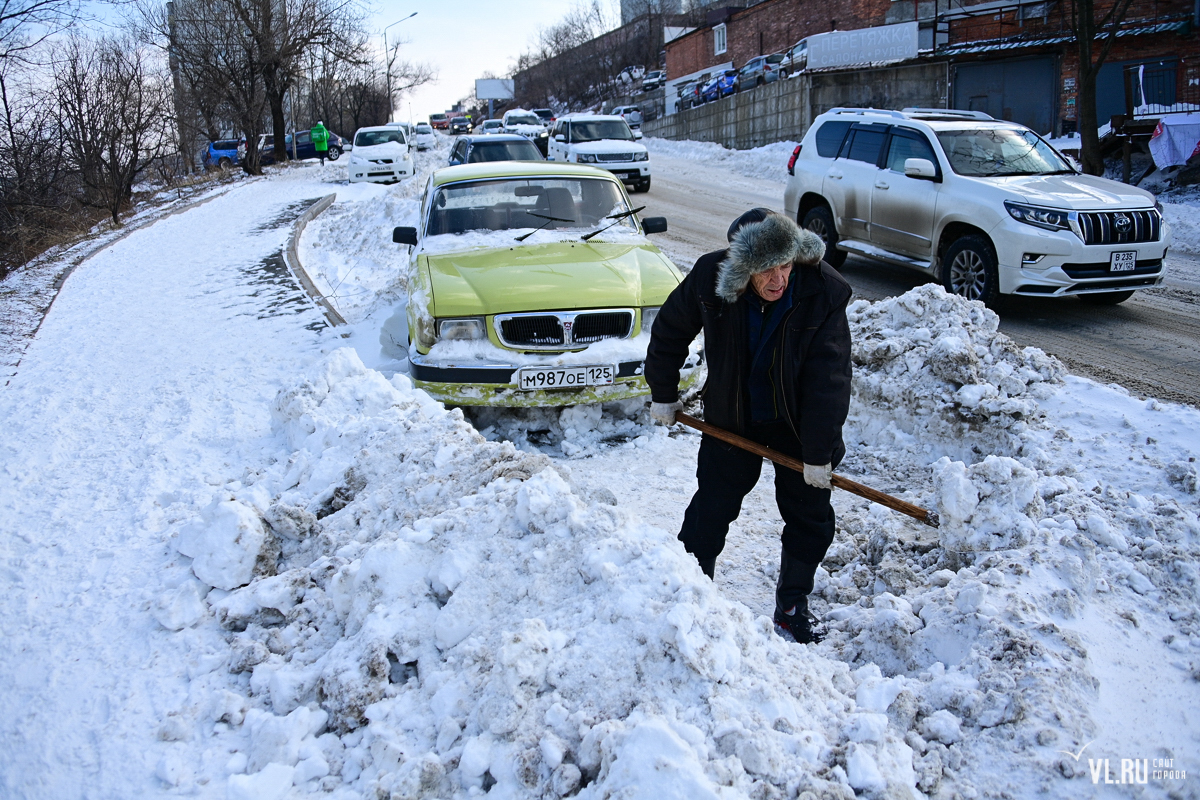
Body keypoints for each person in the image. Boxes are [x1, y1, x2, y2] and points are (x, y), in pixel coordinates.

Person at [644, 209, 853, 644]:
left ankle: (792, 604)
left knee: (810, 519)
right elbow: (669, 330)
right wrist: (663, 391)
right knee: (710, 509)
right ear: (742, 267)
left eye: (785, 266)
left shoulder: (823, 292)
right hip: (732, 419)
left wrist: (818, 454)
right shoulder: (711, 277)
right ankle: (691, 590)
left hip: (796, 426)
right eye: (766, 270)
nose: (779, 280)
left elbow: (828, 381)